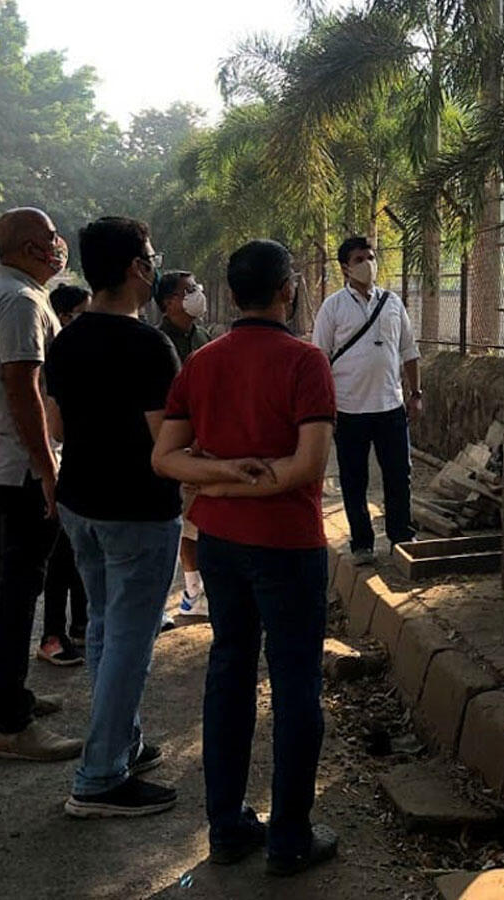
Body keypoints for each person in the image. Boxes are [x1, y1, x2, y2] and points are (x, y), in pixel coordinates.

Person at [152, 239, 340, 876]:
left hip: (221, 543)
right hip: (287, 542)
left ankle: (228, 825)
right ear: (288, 289)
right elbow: (307, 466)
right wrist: (248, 474)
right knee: (294, 685)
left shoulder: (202, 362)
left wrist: (218, 478)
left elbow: (167, 458)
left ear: (231, 295)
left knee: (229, 673)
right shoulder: (305, 361)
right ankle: (290, 836)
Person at [45, 217, 182, 818]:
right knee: (129, 638)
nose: (153, 265)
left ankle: (120, 742)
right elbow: (166, 444)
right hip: (138, 509)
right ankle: (99, 776)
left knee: (104, 625)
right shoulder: (149, 345)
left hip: (81, 502)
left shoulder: (65, 340)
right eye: (150, 257)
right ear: (135, 268)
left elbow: (56, 427)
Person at [0, 207, 83, 761]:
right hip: (21, 467)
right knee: (19, 587)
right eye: (53, 239)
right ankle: (11, 726)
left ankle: (4, 698)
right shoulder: (19, 301)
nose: (60, 247)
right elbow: (24, 390)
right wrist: (47, 467)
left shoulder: (7, 292)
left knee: (8, 582)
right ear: (34, 246)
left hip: (11, 463)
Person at [311, 236, 421, 566]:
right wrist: (324, 407)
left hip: (390, 404)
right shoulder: (333, 307)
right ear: (345, 267)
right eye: (359, 258)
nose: (367, 264)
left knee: (399, 473)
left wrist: (416, 393)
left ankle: (401, 535)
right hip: (349, 409)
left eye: (370, 257)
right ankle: (362, 542)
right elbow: (320, 357)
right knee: (354, 477)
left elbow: (409, 351)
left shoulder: (392, 303)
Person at [154, 270, 213, 627]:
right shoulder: (157, 342)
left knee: (195, 525)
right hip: (170, 448)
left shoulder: (204, 337)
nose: (197, 294)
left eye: (197, 287)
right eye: (189, 290)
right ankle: (161, 601)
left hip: (203, 445)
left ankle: (193, 594)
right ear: (169, 302)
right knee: (166, 527)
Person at [38, 284, 91, 667]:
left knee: (75, 556)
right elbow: (55, 428)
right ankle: (52, 634)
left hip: (68, 463)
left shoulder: (69, 349)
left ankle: (80, 624)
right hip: (57, 465)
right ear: (67, 315)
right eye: (82, 312)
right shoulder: (57, 354)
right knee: (60, 557)